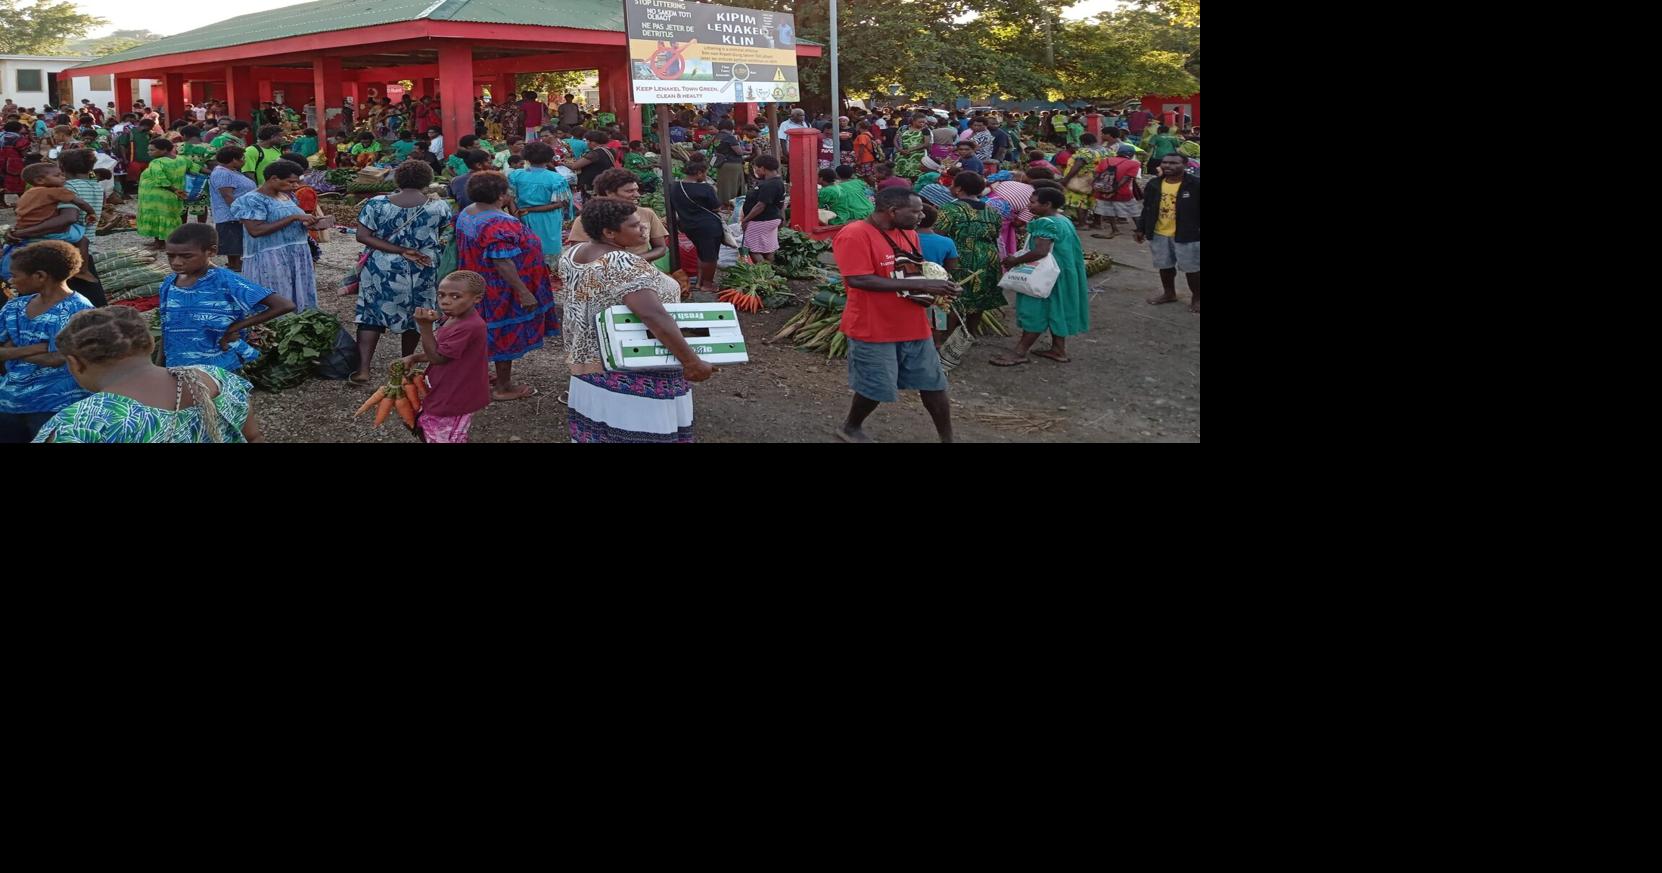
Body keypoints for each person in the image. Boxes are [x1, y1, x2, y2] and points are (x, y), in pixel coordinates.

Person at [558, 197, 714, 443]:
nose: (643, 229)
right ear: (609, 233)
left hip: (590, 362)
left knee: (603, 431)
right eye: (633, 226)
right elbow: (652, 314)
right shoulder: (622, 262)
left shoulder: (574, 253)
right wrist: (691, 361)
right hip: (631, 365)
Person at [831, 187, 959, 443]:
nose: (921, 216)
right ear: (892, 211)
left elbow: (909, 272)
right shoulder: (855, 235)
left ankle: (948, 439)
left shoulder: (908, 232)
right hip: (873, 325)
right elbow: (858, 279)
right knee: (875, 386)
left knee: (934, 383)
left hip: (913, 322)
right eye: (915, 211)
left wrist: (937, 288)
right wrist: (922, 285)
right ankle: (851, 427)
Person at [30, 306, 260, 443]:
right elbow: (253, 436)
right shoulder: (219, 379)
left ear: (74, 363)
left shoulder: (82, 423)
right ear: (150, 344)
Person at [454, 171, 559, 400]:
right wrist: (523, 291)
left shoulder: (469, 212)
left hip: (478, 283)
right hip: (500, 290)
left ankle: (479, 376)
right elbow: (502, 260)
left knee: (484, 331)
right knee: (503, 332)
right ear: (502, 195)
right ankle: (503, 387)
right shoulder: (498, 222)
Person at [350, 160, 453, 384]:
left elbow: (363, 236)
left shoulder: (376, 204)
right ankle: (405, 364)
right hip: (422, 265)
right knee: (416, 315)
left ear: (397, 179)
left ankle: (363, 370)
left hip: (381, 267)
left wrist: (399, 249)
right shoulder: (439, 206)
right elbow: (442, 231)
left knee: (370, 314)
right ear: (427, 181)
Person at [156, 223, 295, 372]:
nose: (176, 262)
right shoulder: (169, 283)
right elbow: (167, 326)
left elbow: (284, 305)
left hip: (218, 367)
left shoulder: (227, 281)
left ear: (211, 251)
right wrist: (158, 366)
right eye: (170, 256)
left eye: (187, 256)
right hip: (177, 364)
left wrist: (234, 328)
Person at [0, 242, 96, 443]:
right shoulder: (16, 306)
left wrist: (11, 350)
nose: (11, 280)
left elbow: (58, 358)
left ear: (40, 276)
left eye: (15, 275)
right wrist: (37, 348)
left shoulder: (77, 310)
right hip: (10, 400)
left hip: (54, 404)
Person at [988, 187, 1089, 366]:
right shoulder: (1063, 220)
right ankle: (1058, 349)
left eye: (1033, 202)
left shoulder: (1045, 223)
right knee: (1056, 308)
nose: (1029, 206)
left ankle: (1019, 352)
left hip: (1046, 276)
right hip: (1062, 273)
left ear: (1047, 204)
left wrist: (1014, 260)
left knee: (1036, 310)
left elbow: (1041, 251)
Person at [396, 271, 491, 443]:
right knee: (436, 428)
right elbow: (445, 351)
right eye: (441, 295)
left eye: (456, 296)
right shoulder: (453, 318)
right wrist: (415, 357)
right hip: (449, 386)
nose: (445, 301)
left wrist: (424, 327)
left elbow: (439, 358)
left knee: (441, 432)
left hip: (456, 393)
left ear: (477, 298)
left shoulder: (469, 326)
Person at [229, 160, 318, 310]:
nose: (295, 186)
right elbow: (256, 231)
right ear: (274, 178)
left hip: (296, 254)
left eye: (297, 182)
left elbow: (290, 220)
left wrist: (310, 223)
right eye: (291, 182)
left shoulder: (287, 196)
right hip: (270, 258)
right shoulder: (251, 200)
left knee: (298, 300)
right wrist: (293, 218)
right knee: (276, 301)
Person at [933, 171, 1005, 327]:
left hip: (960, 260)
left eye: (952, 185)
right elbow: (996, 234)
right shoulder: (992, 210)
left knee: (953, 299)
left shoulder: (950, 209)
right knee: (979, 301)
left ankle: (948, 336)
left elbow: (937, 235)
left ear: (958, 189)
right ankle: (970, 334)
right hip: (989, 259)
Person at [1135, 152, 1200, 313]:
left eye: (1174, 163)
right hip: (1159, 233)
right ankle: (1169, 293)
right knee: (1164, 266)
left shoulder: (1195, 184)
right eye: (1165, 162)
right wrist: (1141, 228)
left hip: (1188, 235)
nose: (1168, 166)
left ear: (1185, 166)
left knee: (1192, 268)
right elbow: (1147, 208)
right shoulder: (1154, 184)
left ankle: (1197, 298)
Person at [567, 167, 669, 263]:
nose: (637, 195)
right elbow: (578, 255)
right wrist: (616, 264)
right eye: (630, 191)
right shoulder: (587, 220)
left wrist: (632, 261)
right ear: (609, 193)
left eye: (636, 190)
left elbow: (661, 248)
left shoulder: (647, 213)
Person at [507, 141, 572, 266]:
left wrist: (516, 214)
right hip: (549, 219)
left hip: (523, 217)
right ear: (549, 158)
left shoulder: (516, 175)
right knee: (548, 249)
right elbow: (561, 204)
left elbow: (510, 198)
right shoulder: (556, 178)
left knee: (526, 250)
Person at [667, 157, 725, 295]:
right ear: (699, 172)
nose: (705, 176)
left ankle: (699, 282)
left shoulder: (676, 186)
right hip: (708, 226)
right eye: (704, 173)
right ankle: (707, 284)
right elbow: (716, 207)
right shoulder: (705, 188)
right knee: (710, 257)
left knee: (701, 252)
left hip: (689, 226)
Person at [133, 138, 190, 250]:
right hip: (170, 196)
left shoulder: (157, 162)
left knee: (157, 218)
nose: (149, 152)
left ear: (164, 150)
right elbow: (194, 168)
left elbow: (161, 180)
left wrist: (175, 190)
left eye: (152, 150)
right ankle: (161, 241)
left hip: (157, 197)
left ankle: (160, 243)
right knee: (167, 217)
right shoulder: (181, 159)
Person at [208, 146, 255, 272]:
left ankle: (236, 262)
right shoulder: (223, 173)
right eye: (242, 158)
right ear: (234, 159)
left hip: (238, 211)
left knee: (238, 239)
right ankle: (234, 264)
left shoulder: (231, 171)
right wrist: (239, 213)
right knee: (233, 239)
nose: (244, 160)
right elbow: (227, 195)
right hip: (230, 215)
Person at [1090, 144, 1143, 239]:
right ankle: (1141, 231)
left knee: (1109, 210)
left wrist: (1101, 188)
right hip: (1122, 192)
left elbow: (1096, 174)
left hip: (1103, 191)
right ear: (1131, 154)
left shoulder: (1105, 160)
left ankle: (1115, 230)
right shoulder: (1134, 164)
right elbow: (1126, 178)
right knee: (1134, 211)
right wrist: (1113, 190)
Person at [565, 129, 616, 194]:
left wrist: (562, 163)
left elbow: (574, 166)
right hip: (604, 182)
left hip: (592, 185)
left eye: (588, 141)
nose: (586, 143)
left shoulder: (594, 154)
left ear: (594, 142)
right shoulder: (610, 150)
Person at [712, 119, 748, 207]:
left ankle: (722, 204)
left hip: (721, 164)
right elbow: (738, 152)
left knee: (723, 186)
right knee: (732, 186)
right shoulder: (729, 137)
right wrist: (747, 151)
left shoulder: (717, 137)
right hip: (732, 164)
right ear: (730, 127)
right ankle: (731, 204)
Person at [0, 120, 30, 208]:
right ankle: (23, 201)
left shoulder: (1, 135)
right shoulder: (18, 138)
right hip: (13, 162)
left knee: (2, 181)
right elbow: (24, 152)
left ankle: (2, 202)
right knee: (17, 181)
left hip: (1, 161)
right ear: (18, 128)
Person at [892, 114, 928, 180]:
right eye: (920, 122)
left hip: (917, 157)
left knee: (915, 175)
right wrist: (900, 150)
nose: (922, 124)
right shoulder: (903, 128)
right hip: (902, 155)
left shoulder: (925, 130)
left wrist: (910, 149)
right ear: (913, 121)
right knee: (901, 174)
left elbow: (926, 144)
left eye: (924, 122)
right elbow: (895, 140)